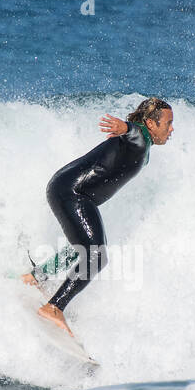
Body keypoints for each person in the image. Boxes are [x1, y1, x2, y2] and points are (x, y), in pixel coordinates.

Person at [22, 97, 174, 336]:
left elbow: (129, 137)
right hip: (73, 193)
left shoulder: (139, 145)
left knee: (81, 246)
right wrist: (126, 128)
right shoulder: (140, 140)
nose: (171, 129)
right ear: (151, 124)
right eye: (168, 123)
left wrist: (125, 132)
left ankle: (35, 277)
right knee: (97, 256)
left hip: (67, 189)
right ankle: (53, 307)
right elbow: (134, 133)